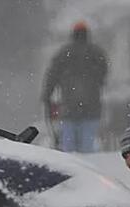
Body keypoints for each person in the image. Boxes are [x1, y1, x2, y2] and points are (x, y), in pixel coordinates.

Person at [41, 20, 108, 153]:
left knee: (68, 148)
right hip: (91, 107)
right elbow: (103, 75)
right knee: (87, 147)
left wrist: (47, 95)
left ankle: (71, 170)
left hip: (68, 108)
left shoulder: (64, 53)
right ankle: (87, 170)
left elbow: (51, 76)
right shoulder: (96, 53)